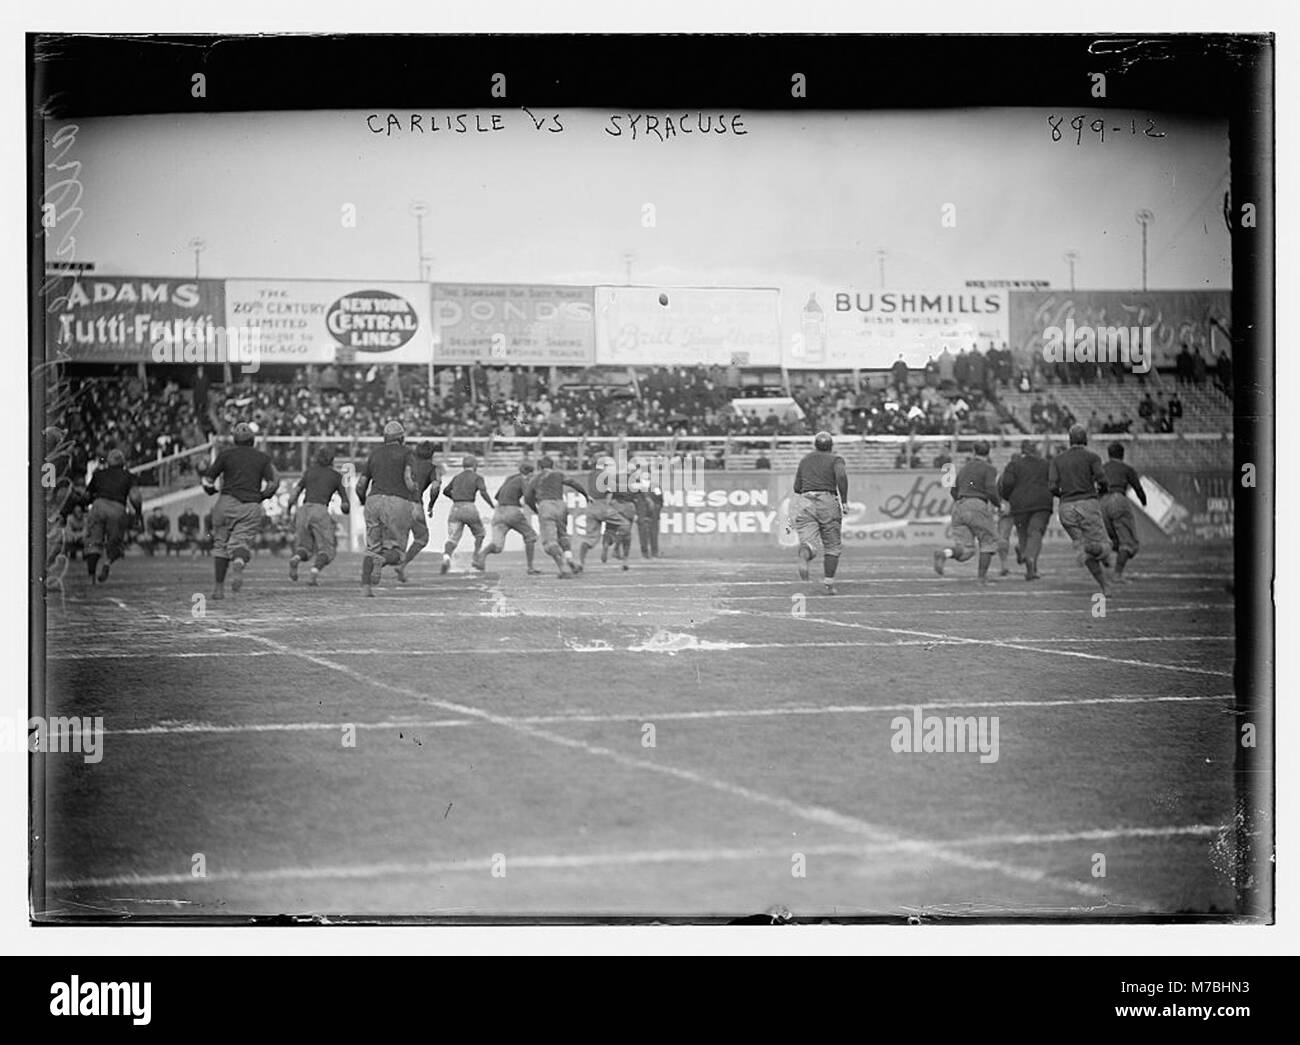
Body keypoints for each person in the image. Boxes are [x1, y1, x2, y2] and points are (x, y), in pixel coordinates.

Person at [202, 423, 280, 599]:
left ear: (235, 440)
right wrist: (262, 496)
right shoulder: (262, 457)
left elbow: (207, 480)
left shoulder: (225, 455)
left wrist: (211, 491)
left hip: (225, 503)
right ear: (253, 440)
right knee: (241, 543)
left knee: (220, 545)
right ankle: (238, 561)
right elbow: (275, 481)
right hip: (249, 505)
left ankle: (218, 589)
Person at [356, 420, 416, 597]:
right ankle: (382, 560)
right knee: (398, 552)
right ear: (402, 438)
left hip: (373, 500)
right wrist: (414, 491)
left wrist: (362, 501)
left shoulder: (374, 454)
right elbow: (408, 480)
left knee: (371, 547)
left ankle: (365, 588)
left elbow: (360, 485)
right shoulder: (407, 453)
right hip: (397, 501)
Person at [1048, 424, 1110, 594]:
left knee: (1082, 544)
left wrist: (1063, 497)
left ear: (1070, 441)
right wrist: (1102, 492)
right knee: (1104, 547)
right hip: (1087, 503)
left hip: (1066, 508)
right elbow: (1102, 479)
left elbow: (1052, 486)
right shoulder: (1092, 457)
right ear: (1085, 440)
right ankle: (1091, 552)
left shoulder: (1057, 460)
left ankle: (1105, 586)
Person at [933, 440, 999, 583]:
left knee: (966, 550)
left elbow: (953, 490)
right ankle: (982, 578)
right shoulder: (989, 469)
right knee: (989, 541)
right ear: (988, 453)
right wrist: (998, 504)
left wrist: (962, 503)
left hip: (959, 506)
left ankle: (945, 553)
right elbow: (991, 490)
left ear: (974, 452)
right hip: (977, 504)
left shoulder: (964, 468)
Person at [792, 430, 847, 595]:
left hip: (805, 501)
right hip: (827, 500)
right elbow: (841, 476)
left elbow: (796, 487)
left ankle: (805, 555)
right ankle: (829, 584)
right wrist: (843, 500)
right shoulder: (836, 459)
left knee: (809, 543)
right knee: (832, 545)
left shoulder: (805, 460)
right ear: (831, 446)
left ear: (815, 445)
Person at [286, 447, 350, 586]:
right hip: (320, 509)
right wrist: (346, 509)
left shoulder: (309, 473)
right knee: (327, 550)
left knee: (304, 548)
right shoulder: (336, 476)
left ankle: (296, 558)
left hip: (304, 510)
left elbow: (293, 495)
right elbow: (345, 503)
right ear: (332, 460)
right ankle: (314, 572)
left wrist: (288, 511)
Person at [84, 449, 143, 584]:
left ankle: (91, 577)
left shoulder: (98, 474)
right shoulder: (129, 476)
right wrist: (138, 513)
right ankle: (107, 563)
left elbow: (87, 496)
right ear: (123, 463)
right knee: (115, 543)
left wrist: (84, 504)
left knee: (93, 541)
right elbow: (135, 497)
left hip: (98, 505)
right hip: (117, 508)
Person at [998, 439, 1053, 581]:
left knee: (1023, 533)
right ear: (1035, 451)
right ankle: (1031, 562)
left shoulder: (1014, 465)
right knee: (1035, 533)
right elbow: (1054, 481)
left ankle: (1025, 555)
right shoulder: (1045, 464)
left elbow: (1007, 483)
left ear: (1022, 450)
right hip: (1042, 503)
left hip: (1020, 504)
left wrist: (1008, 497)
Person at [524, 455, 588, 577]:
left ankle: (563, 567)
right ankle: (569, 558)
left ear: (539, 466)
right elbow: (573, 483)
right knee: (563, 535)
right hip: (560, 504)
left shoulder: (536, 478)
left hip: (546, 505)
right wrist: (585, 495)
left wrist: (535, 509)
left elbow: (527, 497)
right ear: (552, 465)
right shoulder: (558, 474)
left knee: (550, 542)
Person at [473, 460, 542, 574]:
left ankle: (480, 556)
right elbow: (528, 497)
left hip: (499, 512)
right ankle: (530, 567)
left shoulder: (509, 479)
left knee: (497, 546)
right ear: (530, 473)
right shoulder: (523, 480)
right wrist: (536, 510)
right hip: (512, 512)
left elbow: (497, 496)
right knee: (531, 536)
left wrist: (514, 502)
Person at [1101, 442, 1147, 583]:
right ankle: (1117, 575)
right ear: (1122, 454)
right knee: (1128, 543)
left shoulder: (1101, 469)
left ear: (1109, 454)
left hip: (1102, 502)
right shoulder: (1126, 469)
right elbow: (1138, 488)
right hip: (1118, 499)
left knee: (1113, 540)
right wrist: (1143, 501)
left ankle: (1102, 554)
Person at [577, 455, 633, 571]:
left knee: (590, 539)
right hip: (603, 506)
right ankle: (624, 559)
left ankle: (580, 562)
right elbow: (610, 491)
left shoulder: (591, 475)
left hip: (591, 507)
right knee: (626, 526)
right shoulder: (605, 476)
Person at [439, 454, 494, 573]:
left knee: (452, 539)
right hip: (469, 507)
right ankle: (476, 557)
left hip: (455, 508)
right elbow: (483, 492)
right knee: (480, 534)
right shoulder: (477, 477)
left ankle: (446, 557)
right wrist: (491, 504)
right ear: (475, 465)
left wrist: (455, 497)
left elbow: (445, 491)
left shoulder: (457, 477)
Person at [398, 440, 440, 581]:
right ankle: (402, 566)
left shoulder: (406, 463)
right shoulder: (432, 468)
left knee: (396, 538)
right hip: (415, 504)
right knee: (422, 538)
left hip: (395, 502)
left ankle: (375, 566)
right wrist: (431, 505)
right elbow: (435, 487)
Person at [635, 482, 664, 559]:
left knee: (654, 533)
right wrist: (636, 513)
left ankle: (655, 552)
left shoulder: (655, 486)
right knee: (643, 534)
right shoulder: (637, 487)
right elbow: (634, 501)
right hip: (642, 513)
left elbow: (660, 500)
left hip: (653, 513)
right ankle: (645, 553)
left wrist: (657, 509)